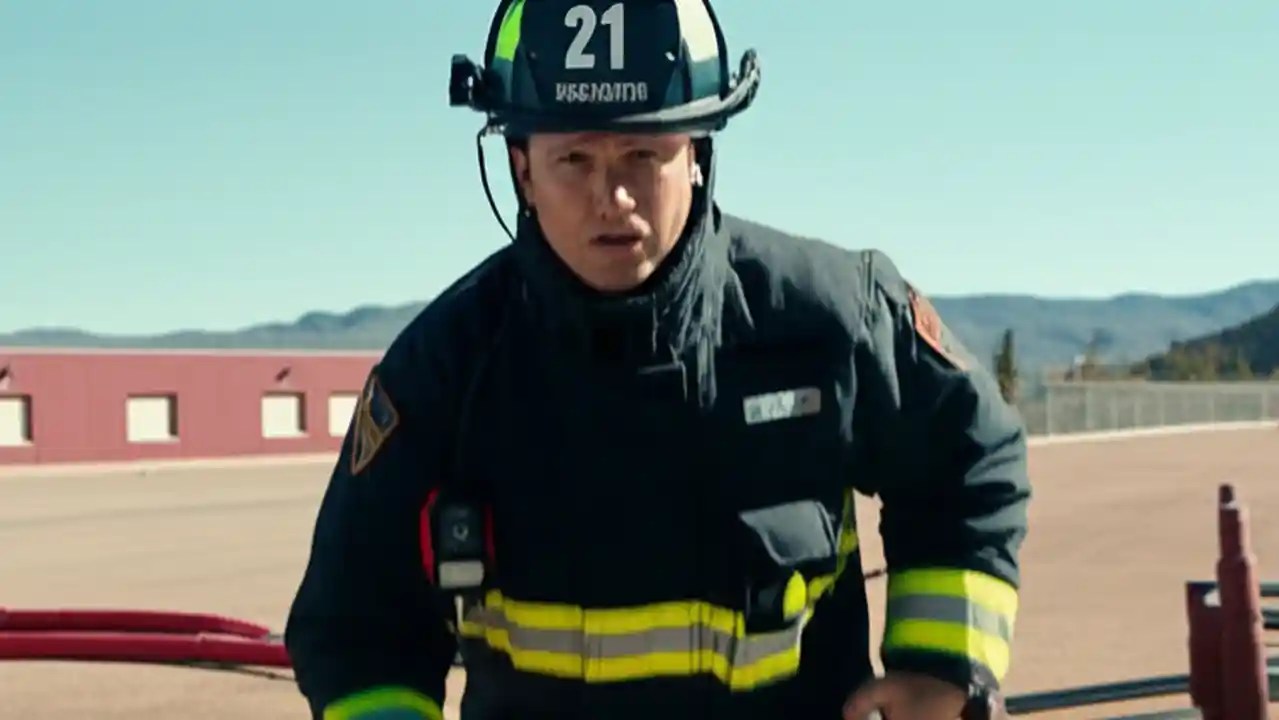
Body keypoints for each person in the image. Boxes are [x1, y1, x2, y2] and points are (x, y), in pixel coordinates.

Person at [282, 1, 1032, 719]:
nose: (612, 196)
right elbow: (357, 623)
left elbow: (969, 455)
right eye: (573, 158)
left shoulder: (832, 319)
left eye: (644, 153)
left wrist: (943, 662)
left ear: (697, 153)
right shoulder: (442, 372)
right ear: (521, 169)